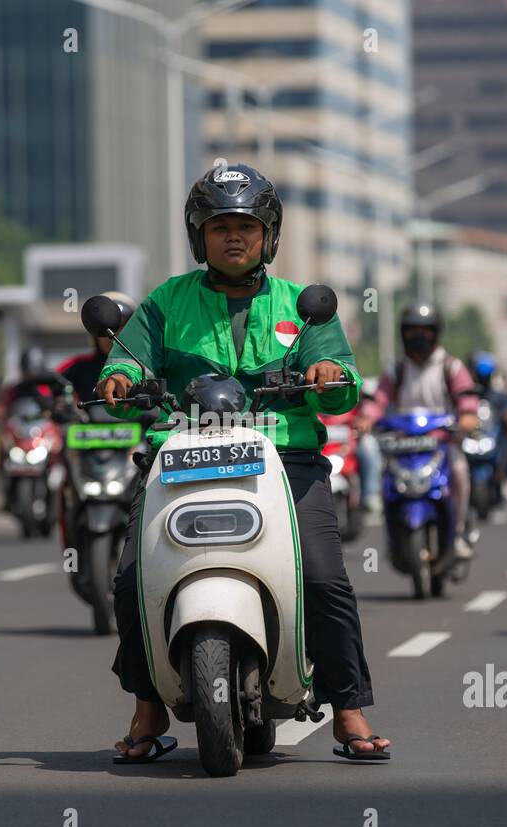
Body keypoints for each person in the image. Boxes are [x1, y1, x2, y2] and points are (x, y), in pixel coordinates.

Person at [96, 162, 390, 761]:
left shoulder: (302, 306)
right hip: (182, 454)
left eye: (248, 226)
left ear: (270, 235)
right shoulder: (164, 303)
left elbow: (343, 385)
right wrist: (122, 377)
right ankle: (148, 707)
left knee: (325, 578)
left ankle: (349, 710)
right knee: (130, 578)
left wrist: (329, 374)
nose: (235, 237)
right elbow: (126, 359)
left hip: (285, 459)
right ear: (197, 233)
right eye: (220, 225)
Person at [357, 303, 480, 557]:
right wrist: (367, 418)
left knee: (459, 472)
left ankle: (457, 533)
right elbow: (379, 399)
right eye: (412, 330)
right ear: (403, 333)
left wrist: (467, 415)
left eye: (425, 331)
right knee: (385, 479)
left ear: (436, 333)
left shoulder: (451, 367)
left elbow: (466, 398)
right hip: (403, 445)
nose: (418, 336)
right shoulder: (397, 369)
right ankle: (392, 537)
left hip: (442, 444)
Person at [467, 350, 507, 502]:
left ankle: (504, 476)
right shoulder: (469, 395)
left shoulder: (498, 396)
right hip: (474, 436)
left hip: (492, 436)